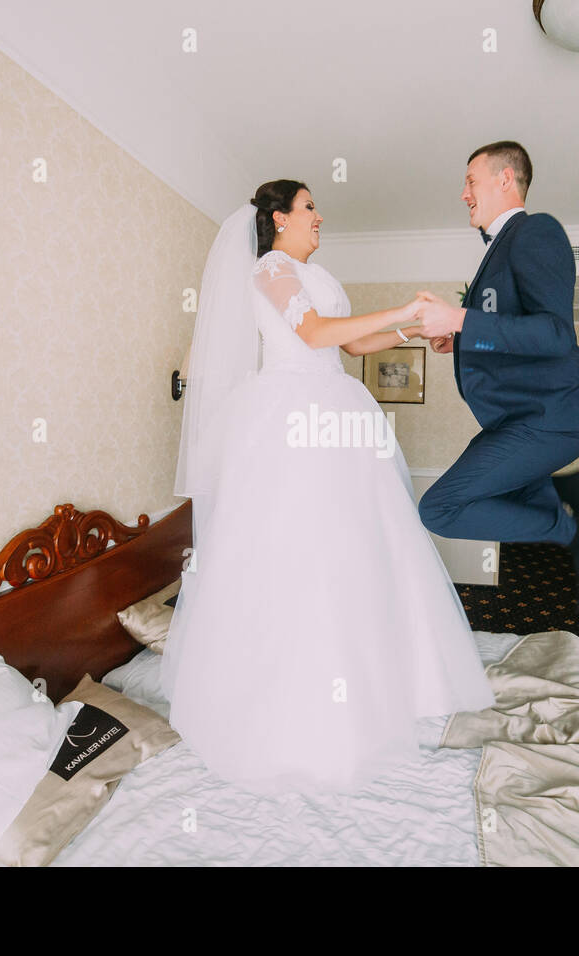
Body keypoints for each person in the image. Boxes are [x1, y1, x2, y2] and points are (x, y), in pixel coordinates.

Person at [160, 180, 495, 796]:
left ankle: (361, 689)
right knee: (295, 549)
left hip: (336, 409)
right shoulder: (270, 268)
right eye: (309, 206)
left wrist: (414, 331)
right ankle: (287, 706)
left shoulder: (325, 275)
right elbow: (312, 334)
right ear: (279, 217)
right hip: (290, 416)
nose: (320, 216)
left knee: (354, 548)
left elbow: (353, 343)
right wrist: (402, 310)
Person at [412, 141, 579, 612]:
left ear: (505, 179)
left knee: (439, 509)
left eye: (471, 181)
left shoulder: (536, 232)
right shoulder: (499, 250)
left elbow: (553, 334)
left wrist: (462, 320)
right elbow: (510, 336)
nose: (463, 193)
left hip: (549, 418)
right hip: (518, 419)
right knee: (492, 486)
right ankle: (565, 489)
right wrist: (461, 338)